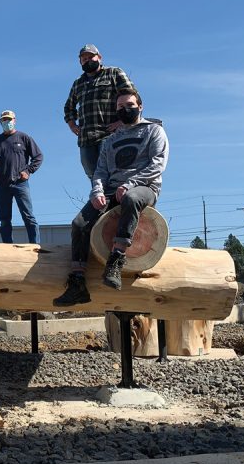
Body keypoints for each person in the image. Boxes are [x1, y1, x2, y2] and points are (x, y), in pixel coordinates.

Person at [54, 88, 169, 306]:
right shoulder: (110, 141)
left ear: (140, 106)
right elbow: (100, 172)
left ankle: (116, 260)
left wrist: (131, 183)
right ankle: (77, 283)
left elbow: (158, 164)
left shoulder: (154, 131)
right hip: (111, 190)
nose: (125, 109)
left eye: (129, 105)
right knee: (79, 223)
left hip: (144, 188)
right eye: (120, 107)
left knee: (132, 199)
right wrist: (97, 191)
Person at [63, 44, 132, 180]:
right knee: (93, 176)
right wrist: (72, 125)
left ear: (99, 57)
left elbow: (131, 96)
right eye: (84, 59)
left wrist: (122, 121)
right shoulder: (78, 83)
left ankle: (116, 199)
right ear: (80, 62)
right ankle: (100, 200)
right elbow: (68, 107)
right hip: (85, 139)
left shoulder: (114, 73)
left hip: (110, 134)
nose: (88, 60)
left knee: (110, 170)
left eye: (91, 57)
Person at [0, 110, 43, 244]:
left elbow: (38, 157)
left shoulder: (24, 137)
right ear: (0, 122)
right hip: (3, 184)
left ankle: (35, 245)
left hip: (21, 183)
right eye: (4, 120)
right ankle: (7, 246)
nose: (7, 122)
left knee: (28, 216)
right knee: (4, 219)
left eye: (9, 120)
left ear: (14, 121)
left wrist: (29, 170)